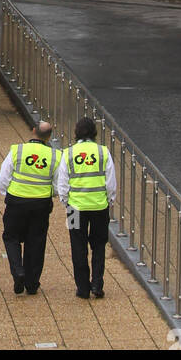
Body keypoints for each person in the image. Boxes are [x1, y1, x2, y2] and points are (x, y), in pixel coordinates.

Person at [0, 119, 61, 296]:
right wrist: (50, 195)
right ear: (49, 137)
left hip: (16, 201)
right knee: (36, 241)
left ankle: (18, 270)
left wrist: (8, 194)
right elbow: (58, 184)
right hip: (40, 204)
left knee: (11, 237)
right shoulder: (56, 156)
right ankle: (32, 284)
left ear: (33, 131)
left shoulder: (17, 150)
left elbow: (4, 176)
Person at [58, 116, 117, 299]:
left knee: (78, 246)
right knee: (99, 245)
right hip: (100, 206)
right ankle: (97, 285)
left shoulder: (68, 153)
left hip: (75, 208)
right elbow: (111, 183)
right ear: (95, 133)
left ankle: (82, 288)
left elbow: (63, 183)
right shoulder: (103, 152)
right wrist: (110, 201)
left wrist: (65, 202)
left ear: (76, 133)